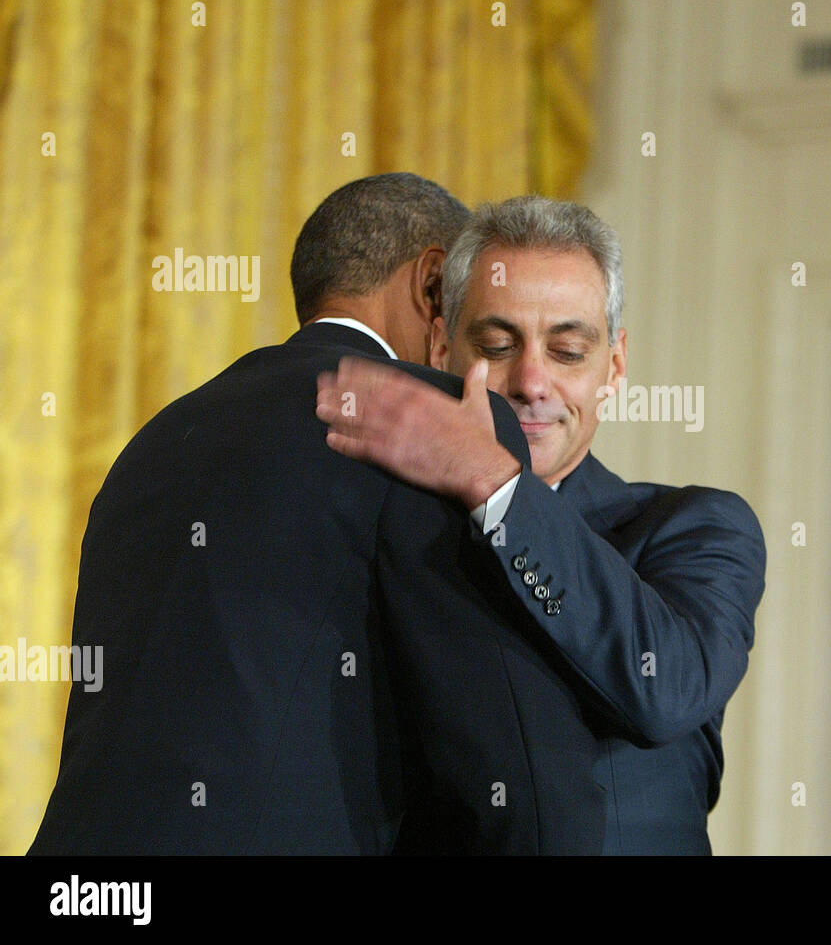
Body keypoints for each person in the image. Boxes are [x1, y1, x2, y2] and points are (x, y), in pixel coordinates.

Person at [30, 174, 606, 854]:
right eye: (471, 315)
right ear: (430, 284)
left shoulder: (154, 439)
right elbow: (510, 757)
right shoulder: (424, 421)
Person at [316, 195, 766, 854]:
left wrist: (496, 484)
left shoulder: (696, 526)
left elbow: (665, 689)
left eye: (567, 351)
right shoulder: (388, 531)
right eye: (497, 345)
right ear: (441, 343)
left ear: (613, 367)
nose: (530, 380)